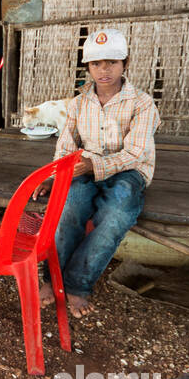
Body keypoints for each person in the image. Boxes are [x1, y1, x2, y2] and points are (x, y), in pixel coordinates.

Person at [34, 29, 159, 316]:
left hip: (128, 171)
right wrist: (55, 177)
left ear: (125, 63)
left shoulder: (142, 103)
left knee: (116, 213)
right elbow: (66, 147)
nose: (104, 70)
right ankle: (52, 280)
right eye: (96, 64)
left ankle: (77, 284)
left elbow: (135, 153)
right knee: (68, 206)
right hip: (85, 167)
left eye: (112, 62)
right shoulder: (79, 103)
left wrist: (95, 166)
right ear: (88, 67)